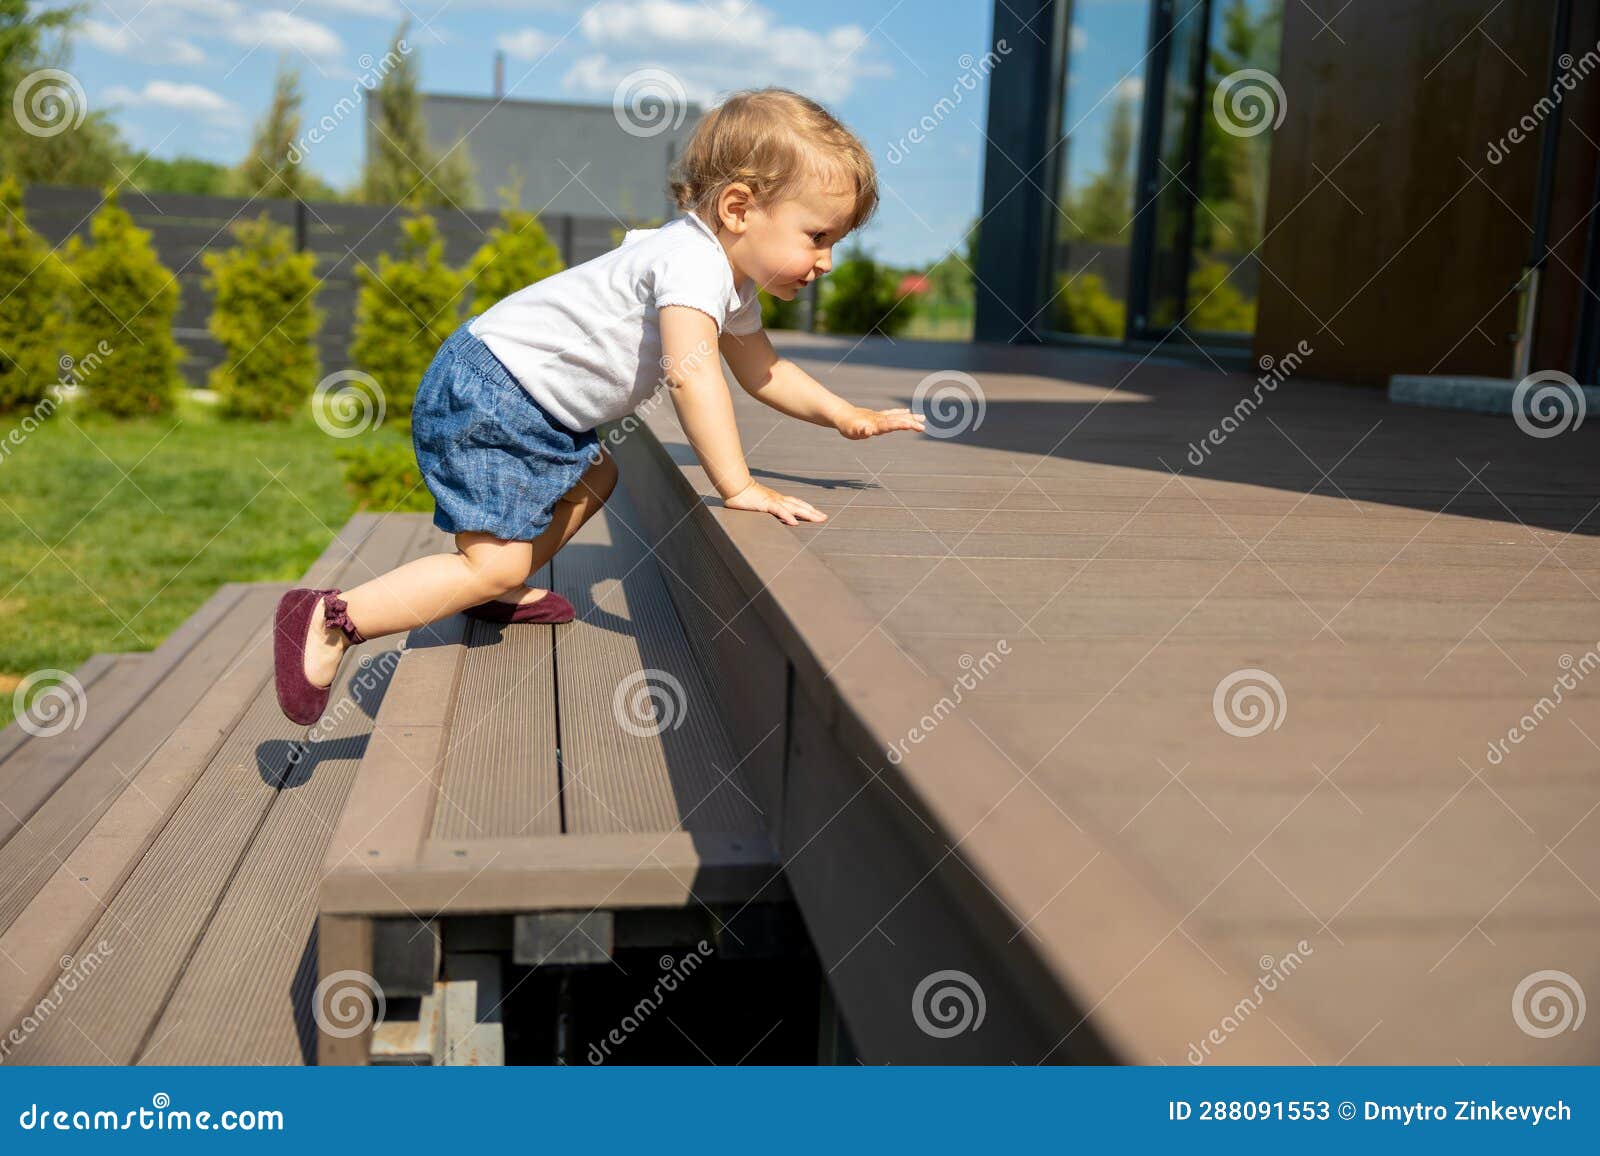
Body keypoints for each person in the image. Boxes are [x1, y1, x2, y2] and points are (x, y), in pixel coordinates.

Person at [274, 86, 924, 725]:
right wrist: (739, 485)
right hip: (493, 395)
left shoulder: (723, 276)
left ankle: (496, 585)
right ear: (737, 208)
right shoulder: (691, 265)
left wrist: (845, 415)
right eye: (817, 235)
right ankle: (332, 620)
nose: (828, 262)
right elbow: (692, 376)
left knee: (597, 475)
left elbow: (764, 372)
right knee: (491, 557)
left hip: (525, 401)